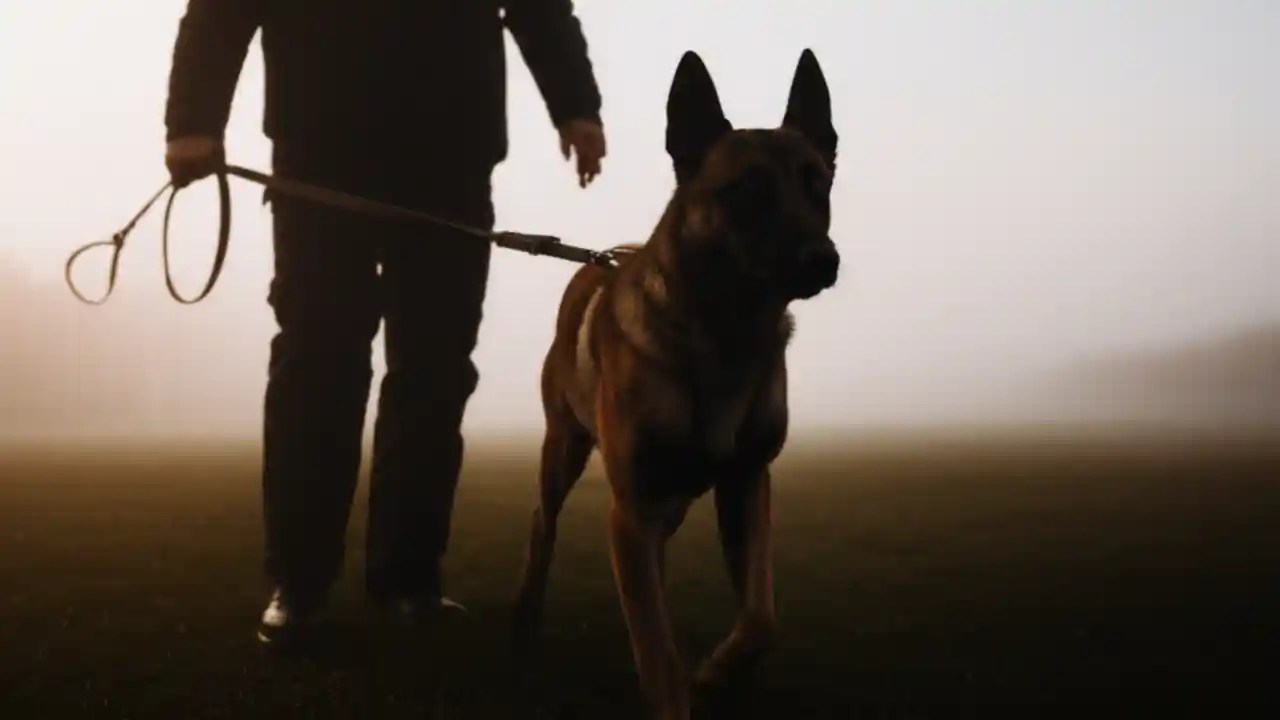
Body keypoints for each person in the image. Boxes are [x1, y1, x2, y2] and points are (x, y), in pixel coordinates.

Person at [161, 0, 606, 646]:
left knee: (434, 368)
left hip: (448, 150)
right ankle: (302, 583)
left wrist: (576, 105)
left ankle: (406, 579)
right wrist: (191, 121)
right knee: (317, 363)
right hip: (320, 148)